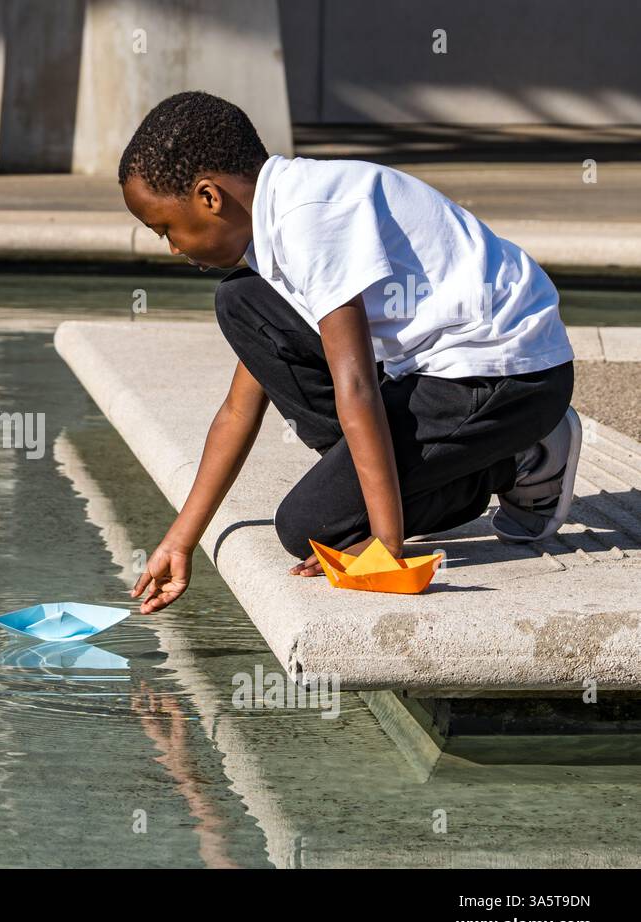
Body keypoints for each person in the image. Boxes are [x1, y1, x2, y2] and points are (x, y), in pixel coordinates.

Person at [122, 92, 578, 614]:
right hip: (439, 368)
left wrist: (386, 542)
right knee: (241, 299)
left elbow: (355, 386)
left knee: (310, 527)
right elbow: (238, 408)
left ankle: (521, 460)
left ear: (209, 197)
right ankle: (399, 480)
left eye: (166, 230)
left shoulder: (309, 218)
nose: (173, 249)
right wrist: (181, 540)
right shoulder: (275, 219)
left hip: (509, 375)